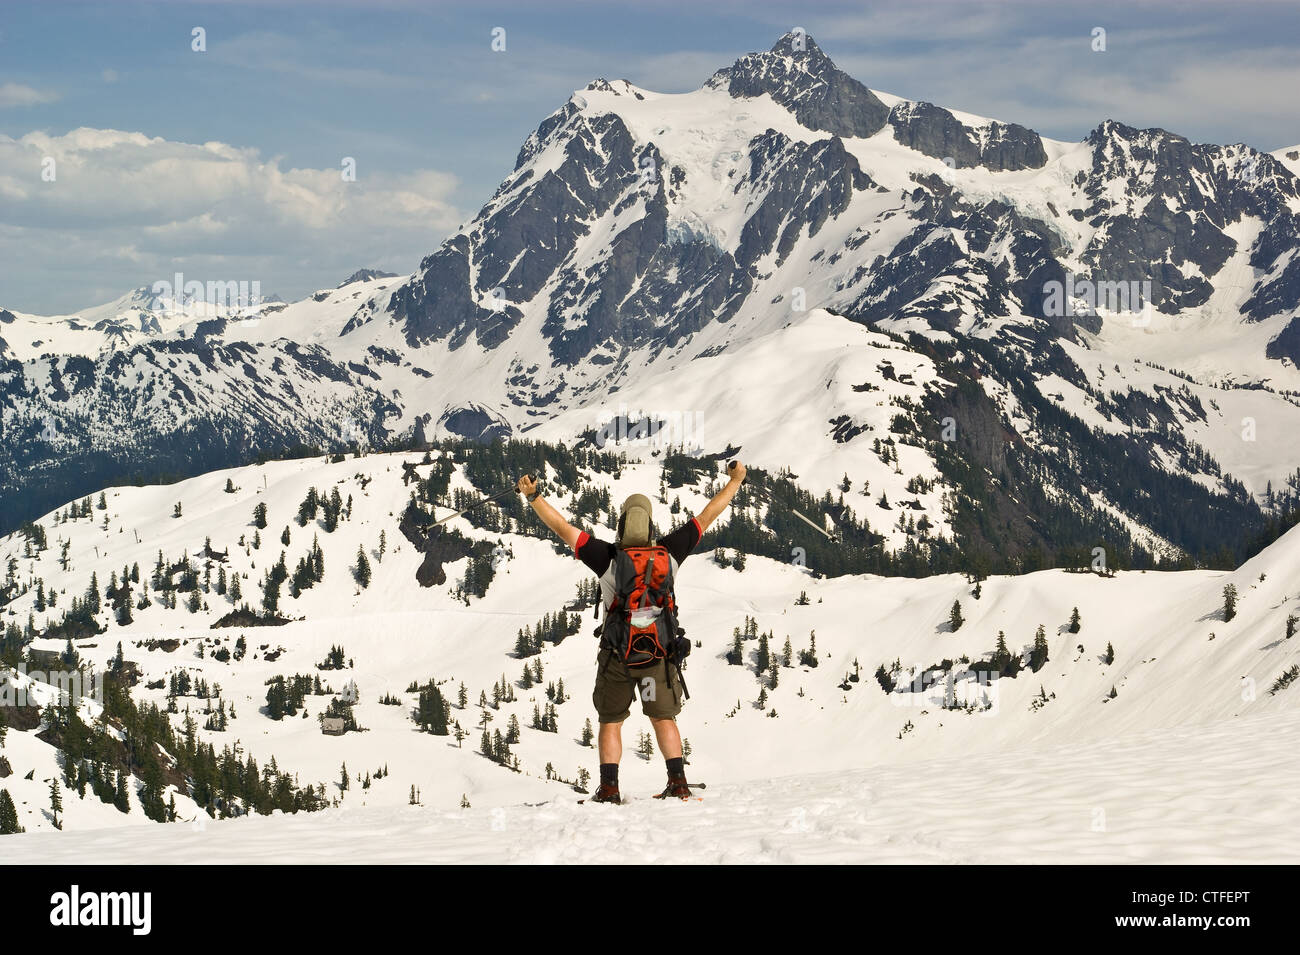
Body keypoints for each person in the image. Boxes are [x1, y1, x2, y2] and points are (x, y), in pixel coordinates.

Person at [517, 460, 747, 802]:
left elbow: (562, 527)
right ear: (651, 524)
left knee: (611, 722)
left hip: (617, 657)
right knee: (662, 718)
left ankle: (609, 790)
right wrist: (736, 481)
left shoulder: (605, 556)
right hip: (657, 655)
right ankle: (678, 784)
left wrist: (533, 496)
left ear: (621, 523)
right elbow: (709, 514)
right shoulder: (671, 552)